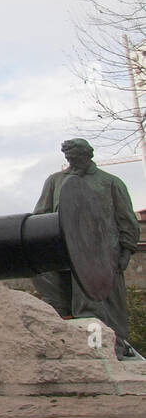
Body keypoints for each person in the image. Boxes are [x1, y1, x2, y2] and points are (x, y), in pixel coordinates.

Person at [32, 138, 142, 359]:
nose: (73, 162)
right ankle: (68, 342)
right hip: (64, 254)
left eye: (77, 158)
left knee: (99, 307)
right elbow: (41, 216)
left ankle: (107, 350)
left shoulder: (110, 182)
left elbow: (127, 220)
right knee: (53, 294)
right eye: (69, 158)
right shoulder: (55, 181)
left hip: (100, 256)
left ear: (89, 155)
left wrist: (126, 252)